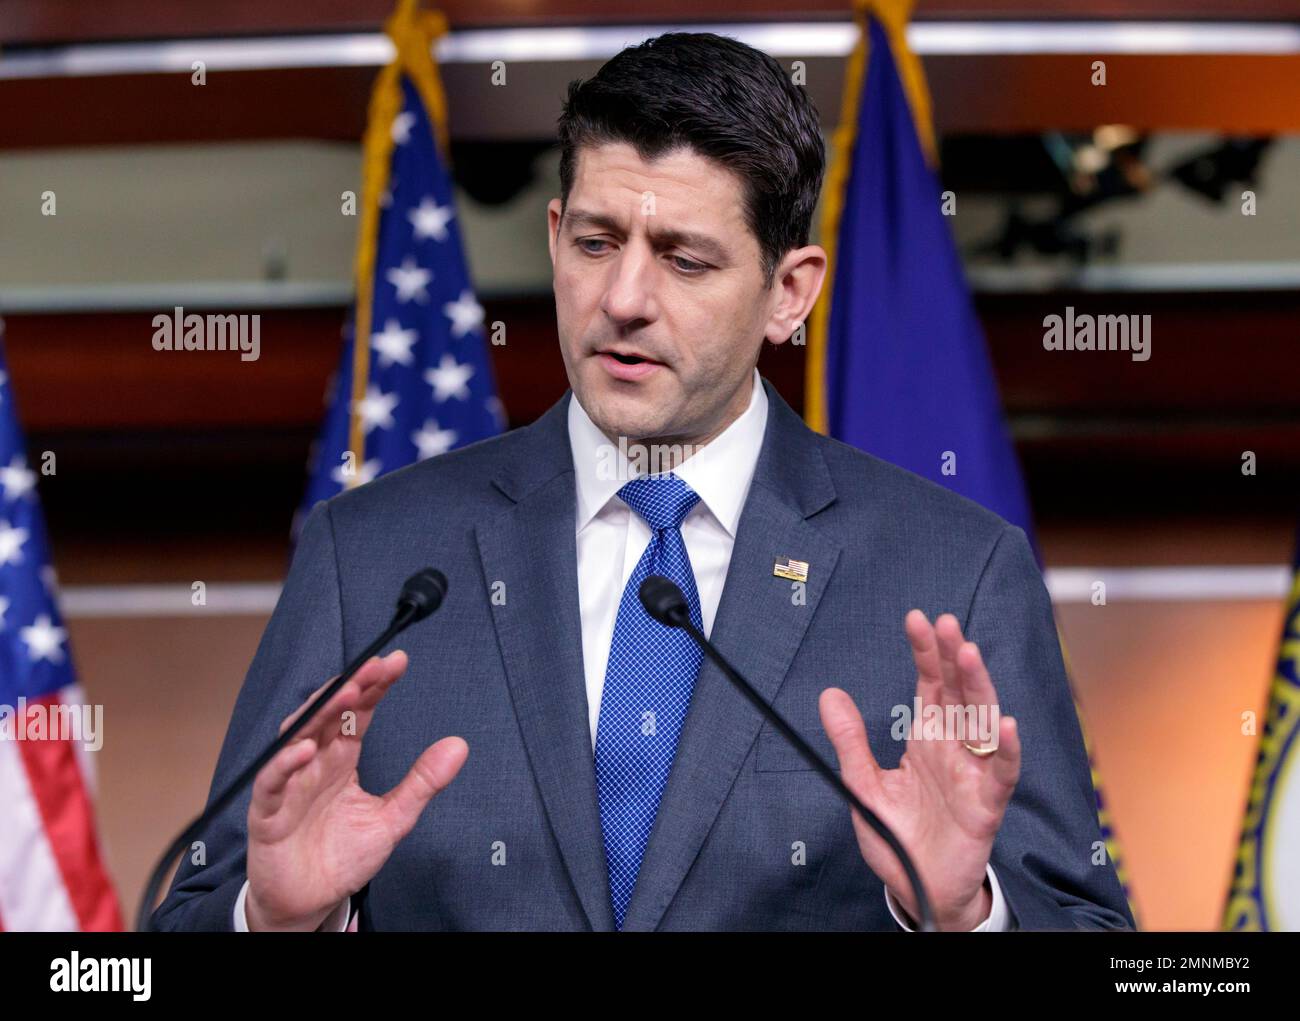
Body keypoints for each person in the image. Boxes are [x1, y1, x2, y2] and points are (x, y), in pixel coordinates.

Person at [155, 32, 1133, 932]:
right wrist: (277, 919)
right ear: (551, 237)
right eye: (594, 242)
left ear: (788, 293)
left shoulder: (954, 570)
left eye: (683, 259)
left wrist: (963, 912)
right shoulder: (369, 556)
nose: (622, 299)